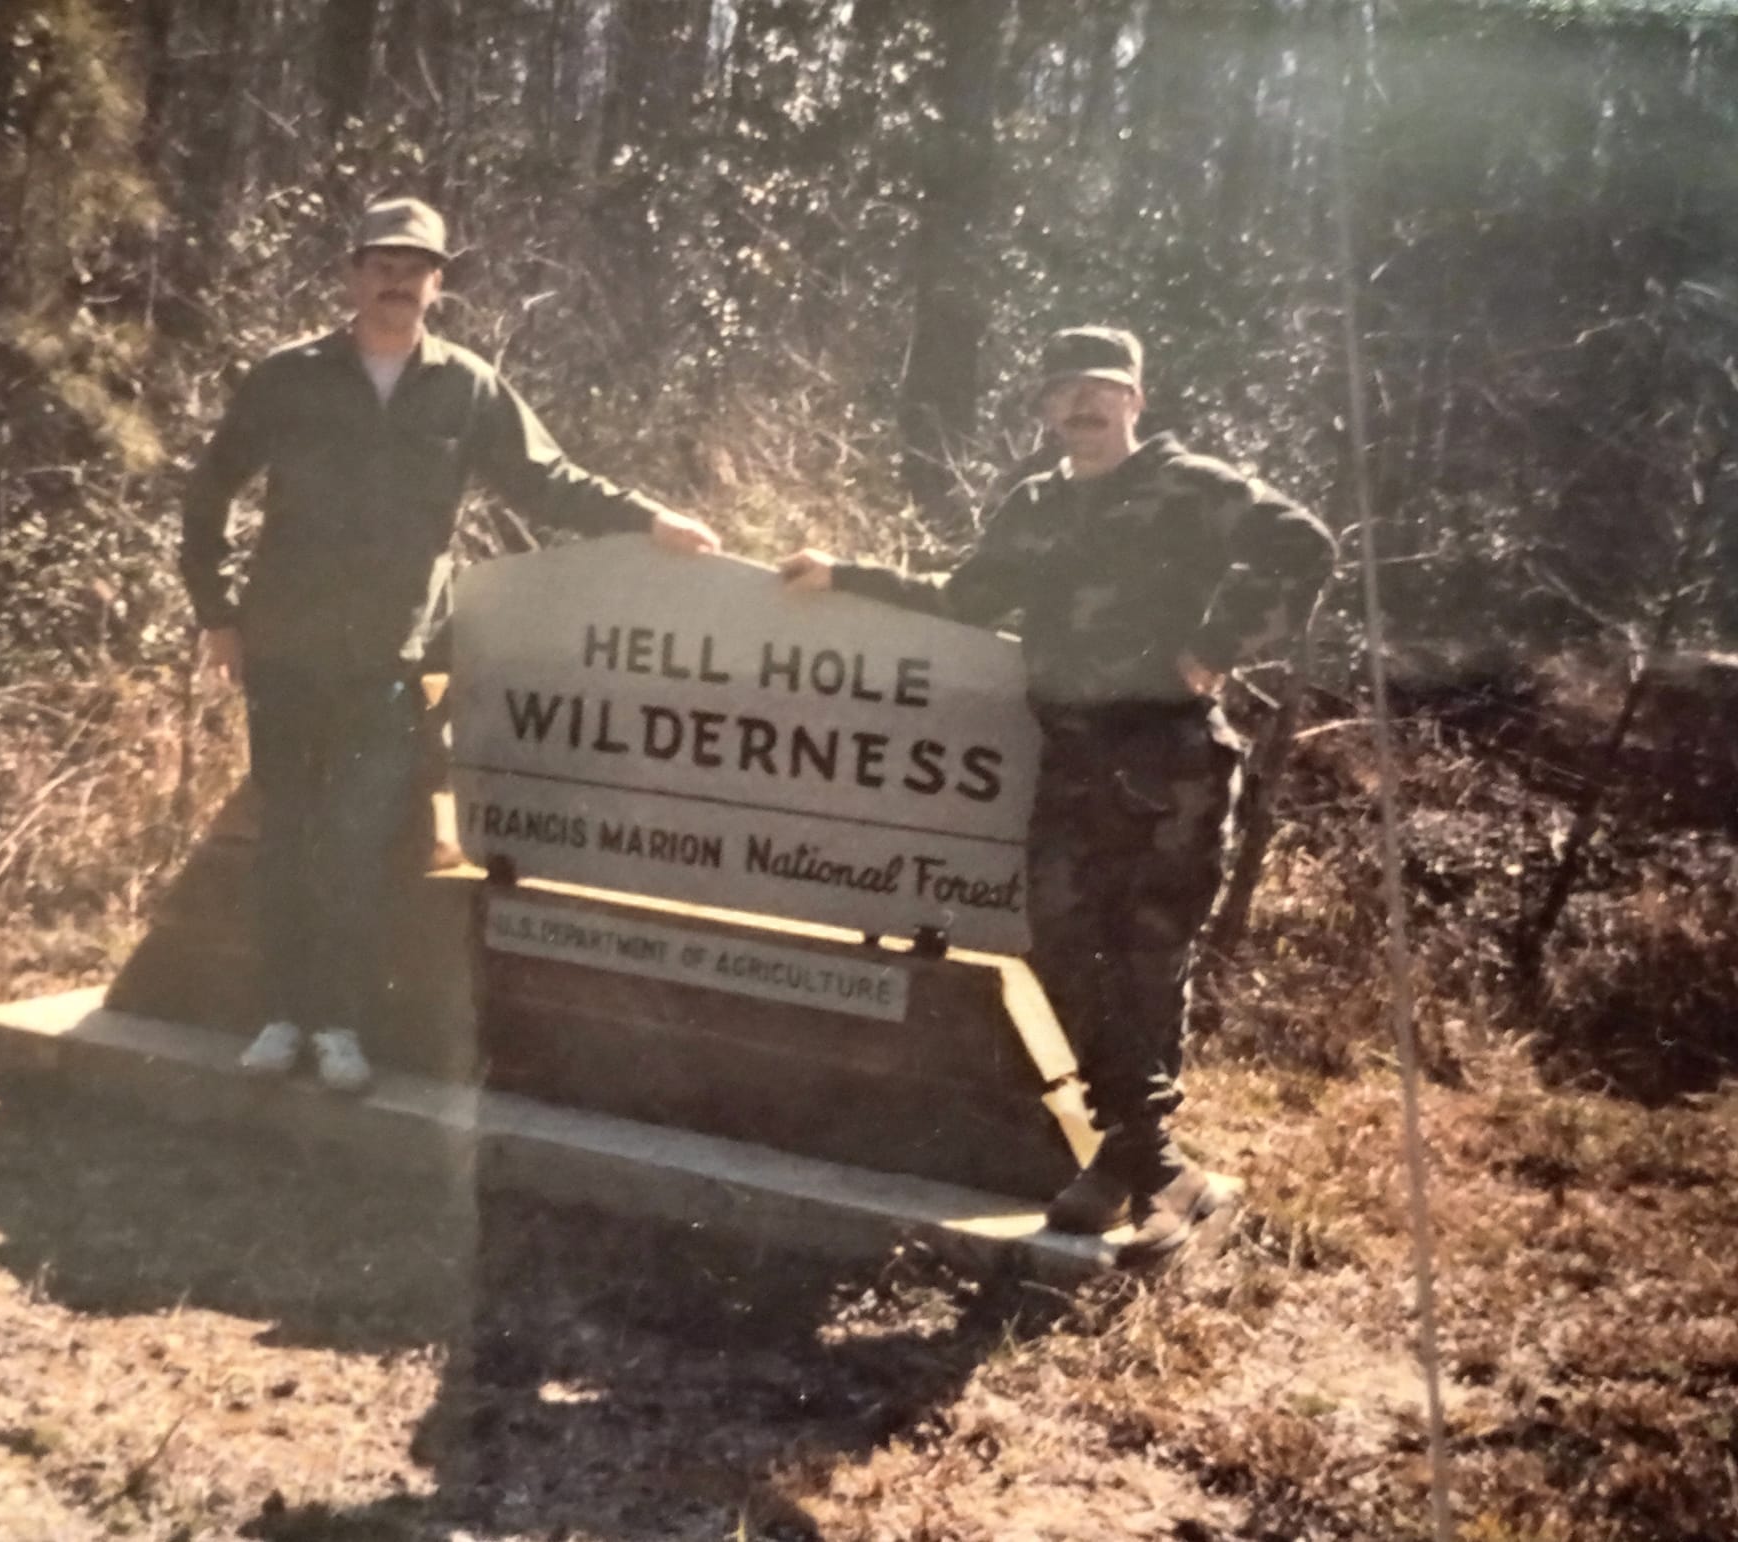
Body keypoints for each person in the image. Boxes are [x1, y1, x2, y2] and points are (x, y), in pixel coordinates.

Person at [780, 326, 1334, 1263]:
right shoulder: (1033, 504)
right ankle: (1137, 1156)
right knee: (1064, 953)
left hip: (1168, 768)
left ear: (1135, 399)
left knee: (1148, 956)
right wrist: (843, 578)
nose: (1083, 406)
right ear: (1044, 408)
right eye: (1065, 391)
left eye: (1102, 389)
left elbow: (1303, 545)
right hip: (1072, 768)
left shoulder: (1194, 487)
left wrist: (1217, 644)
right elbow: (968, 598)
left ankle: (1146, 1165)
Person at [181, 196, 719, 1090]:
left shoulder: (464, 385)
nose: (396, 282)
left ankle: (341, 1026)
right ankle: (282, 1016)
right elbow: (209, 489)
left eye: (415, 267)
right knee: (288, 836)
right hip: (285, 647)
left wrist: (648, 519)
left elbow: (545, 478)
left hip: (394, 662)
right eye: (380, 264)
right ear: (353, 275)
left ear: (438, 283)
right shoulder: (287, 377)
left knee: (358, 840)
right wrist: (217, 611)